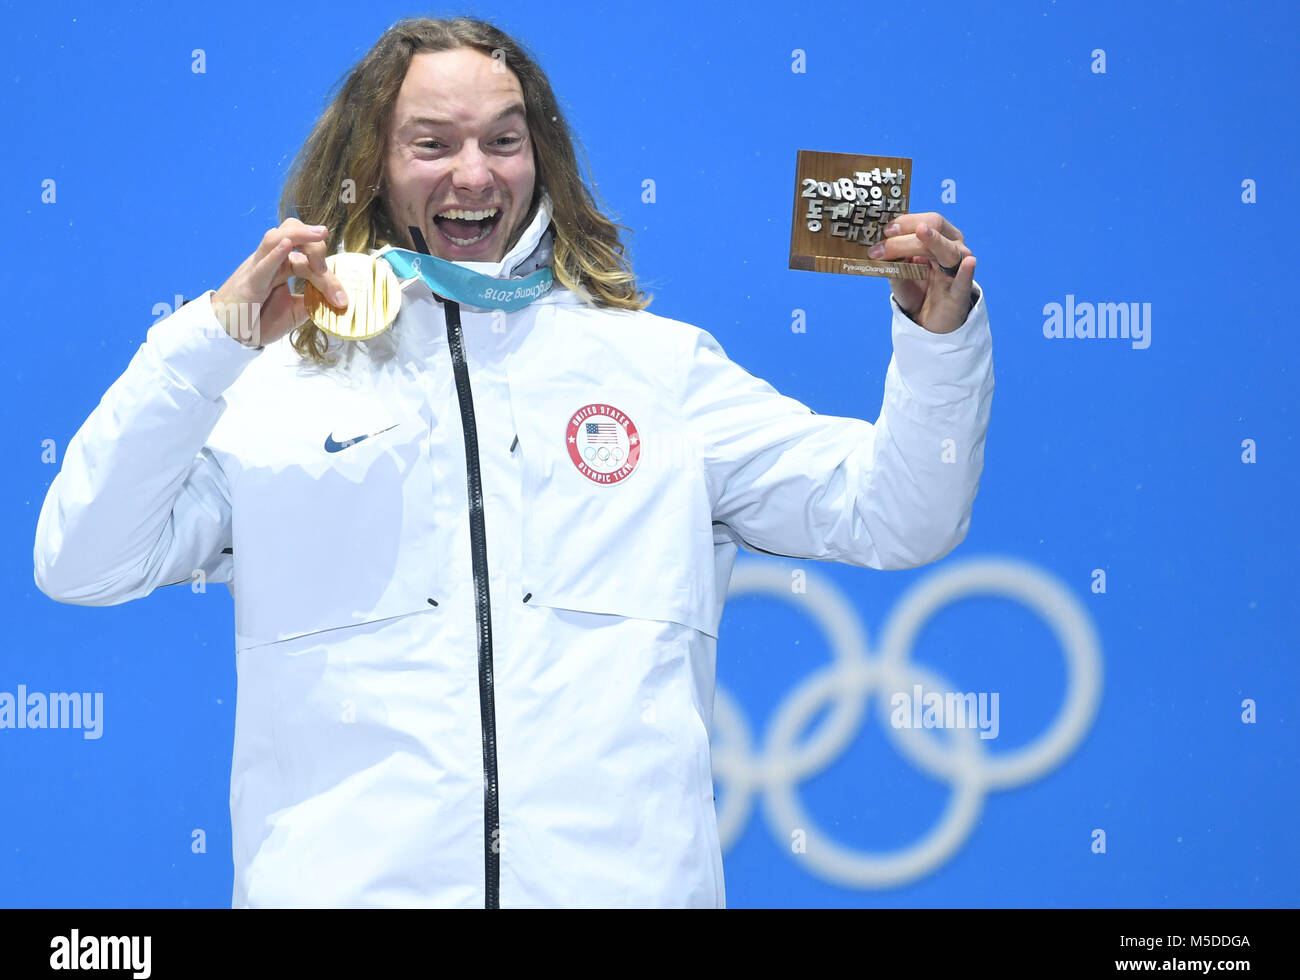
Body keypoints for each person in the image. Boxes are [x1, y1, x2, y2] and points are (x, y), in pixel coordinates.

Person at [32, 15, 993, 908]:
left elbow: (897, 516)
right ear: (368, 165)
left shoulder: (658, 369)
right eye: (432, 143)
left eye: (502, 139)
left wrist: (937, 342)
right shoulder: (276, 390)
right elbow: (82, 560)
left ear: (543, 158)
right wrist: (217, 337)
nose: (475, 175)